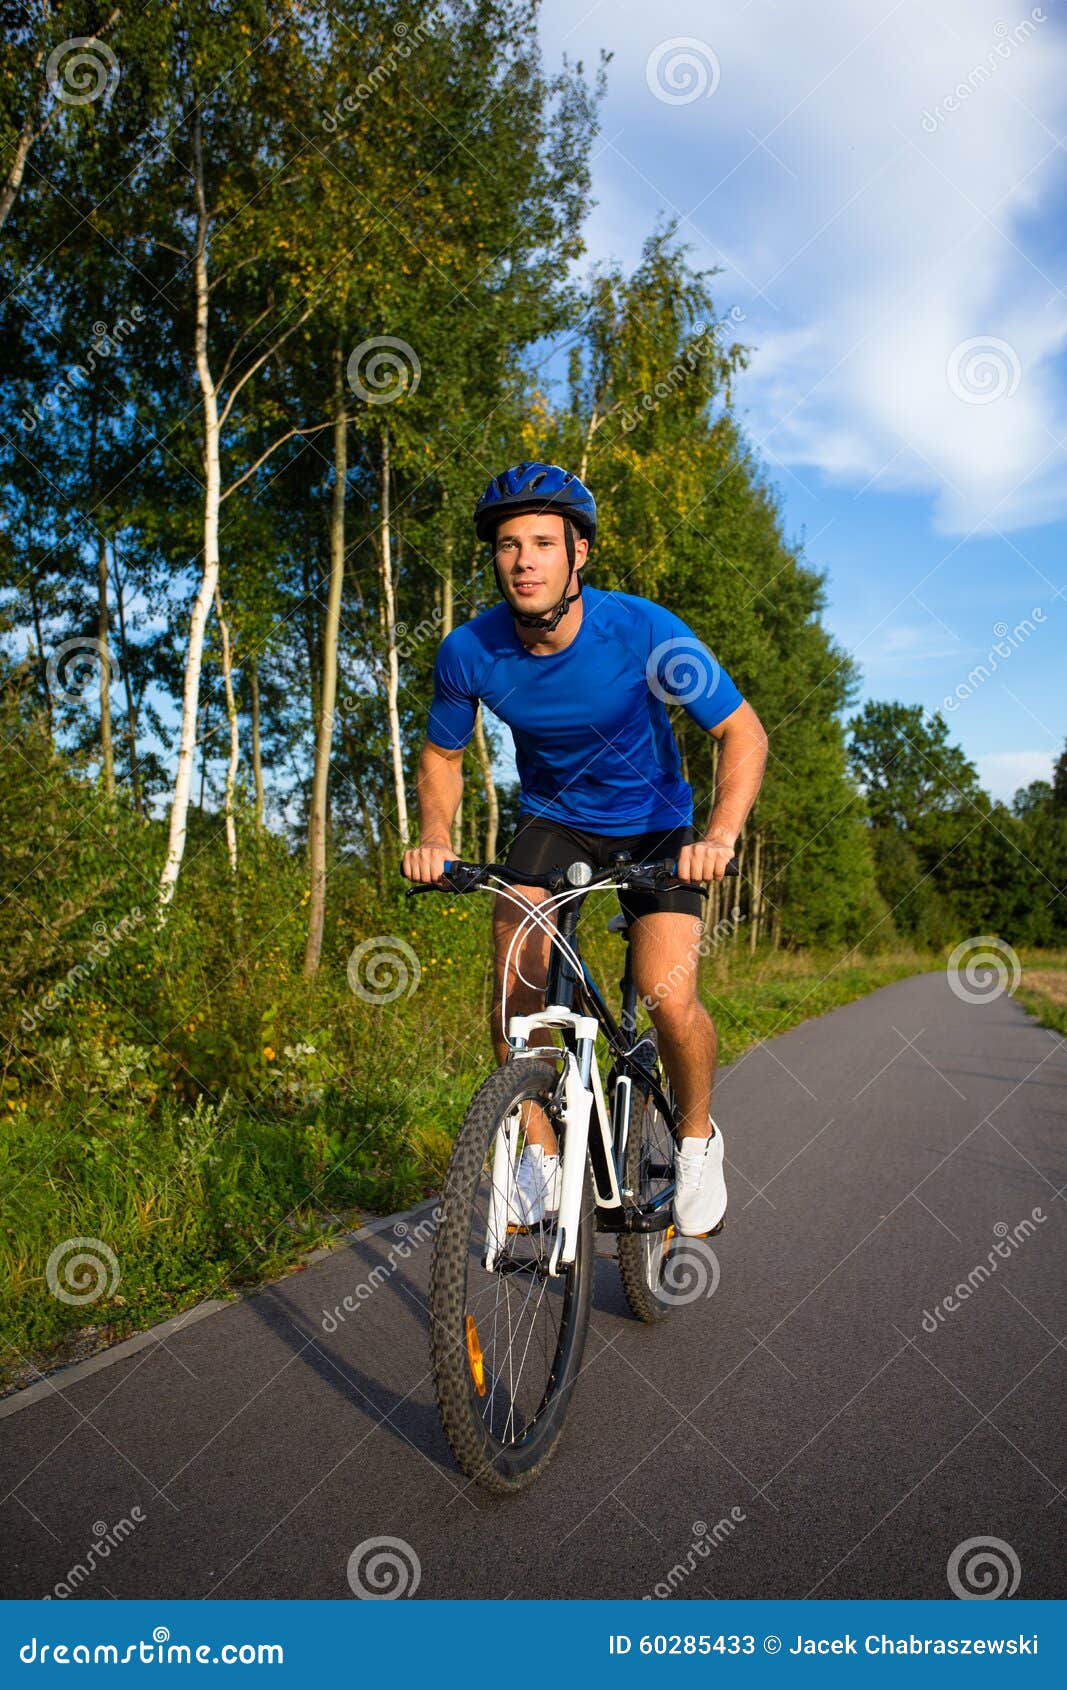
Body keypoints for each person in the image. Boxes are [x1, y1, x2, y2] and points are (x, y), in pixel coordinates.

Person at [400, 462, 768, 1236]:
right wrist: (436, 836)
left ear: (579, 554)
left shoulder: (641, 631)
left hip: (654, 824)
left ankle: (697, 1138)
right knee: (514, 982)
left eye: (541, 542)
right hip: (556, 821)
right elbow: (441, 754)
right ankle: (539, 1155)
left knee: (666, 995)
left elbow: (741, 731)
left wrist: (720, 838)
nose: (523, 560)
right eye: (507, 545)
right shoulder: (469, 651)